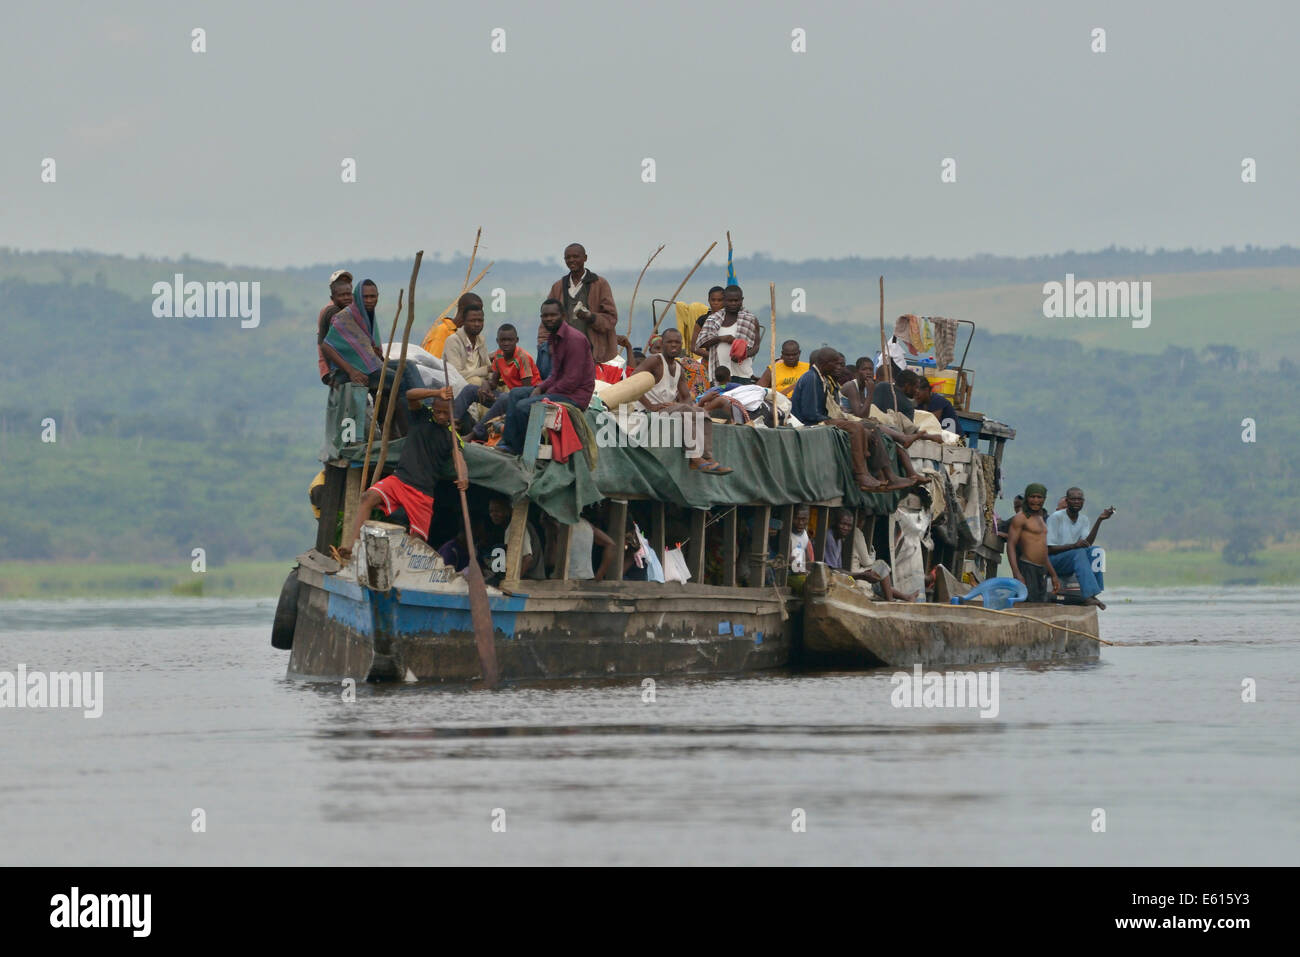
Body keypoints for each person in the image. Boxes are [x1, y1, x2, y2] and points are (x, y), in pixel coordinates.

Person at [335, 391, 467, 561]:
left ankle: (402, 567)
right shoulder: (422, 415)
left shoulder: (453, 437)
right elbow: (410, 395)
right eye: (438, 411)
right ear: (432, 408)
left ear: (451, 413)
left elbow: (459, 458)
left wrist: (463, 476)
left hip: (423, 492)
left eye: (445, 413)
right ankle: (353, 548)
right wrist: (437, 392)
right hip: (400, 479)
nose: (441, 416)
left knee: (417, 539)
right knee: (367, 497)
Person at [790, 349, 922, 491]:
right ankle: (861, 475)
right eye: (834, 363)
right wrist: (834, 420)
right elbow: (811, 414)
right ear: (824, 363)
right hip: (810, 423)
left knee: (870, 427)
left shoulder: (822, 378)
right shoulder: (812, 378)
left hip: (819, 418)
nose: (837, 367)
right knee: (856, 427)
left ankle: (887, 477)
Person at [321, 278, 425, 433]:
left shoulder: (367, 315)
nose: (369, 301)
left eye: (373, 297)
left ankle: (426, 407)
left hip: (370, 365)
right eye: (365, 297)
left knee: (407, 365)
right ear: (357, 298)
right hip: (348, 373)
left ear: (378, 296)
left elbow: (364, 346)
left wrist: (374, 352)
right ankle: (410, 429)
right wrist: (351, 371)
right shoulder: (344, 317)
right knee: (398, 381)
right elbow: (327, 346)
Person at [499, 299, 598, 455]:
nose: (549, 319)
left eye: (553, 315)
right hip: (560, 390)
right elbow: (555, 374)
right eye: (545, 316)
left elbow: (571, 381)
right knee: (515, 394)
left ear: (563, 316)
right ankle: (508, 443)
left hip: (575, 396)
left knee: (523, 406)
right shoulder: (554, 338)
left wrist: (545, 392)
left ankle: (521, 451)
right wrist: (540, 387)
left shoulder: (574, 340)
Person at [634, 328, 732, 474]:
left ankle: (707, 457)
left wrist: (688, 408)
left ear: (681, 345)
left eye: (677, 343)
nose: (674, 345)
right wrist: (651, 406)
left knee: (701, 412)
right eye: (669, 342)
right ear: (663, 344)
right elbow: (633, 381)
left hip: (667, 409)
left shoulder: (678, 367)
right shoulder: (654, 361)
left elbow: (686, 397)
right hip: (647, 410)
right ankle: (694, 457)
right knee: (685, 410)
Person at [548, 243, 628, 382]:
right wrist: (545, 344)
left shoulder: (599, 284)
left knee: (595, 390)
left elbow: (611, 318)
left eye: (575, 256)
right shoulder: (559, 287)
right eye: (568, 257)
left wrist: (591, 317)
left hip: (594, 353)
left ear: (585, 258)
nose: (571, 260)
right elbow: (548, 318)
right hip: (566, 353)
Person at [1046, 487, 1114, 609]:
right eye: (1073, 499)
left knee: (1096, 551)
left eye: (1079, 499)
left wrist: (1099, 520)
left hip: (1072, 558)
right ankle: (1087, 596)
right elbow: (1049, 548)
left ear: (1083, 501)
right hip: (1053, 561)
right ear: (1067, 501)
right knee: (1078, 552)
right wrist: (1074, 546)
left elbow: (1087, 544)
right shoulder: (1056, 517)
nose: (1077, 502)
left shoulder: (1084, 519)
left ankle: (1094, 593)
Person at [441, 294, 495, 431]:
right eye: (473, 320)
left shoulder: (480, 340)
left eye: (480, 320)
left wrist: (491, 379)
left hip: (481, 384)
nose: (477, 324)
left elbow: (489, 367)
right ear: (464, 321)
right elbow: (456, 374)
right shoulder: (453, 341)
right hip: (460, 387)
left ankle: (494, 425)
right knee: (477, 382)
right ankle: (483, 427)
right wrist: (484, 372)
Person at [695, 284, 762, 383]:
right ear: (724, 300)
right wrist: (721, 338)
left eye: (736, 300)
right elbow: (701, 343)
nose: (733, 303)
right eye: (730, 301)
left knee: (740, 398)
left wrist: (743, 355)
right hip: (719, 375)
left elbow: (756, 346)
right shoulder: (713, 319)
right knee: (721, 398)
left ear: (742, 300)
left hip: (742, 374)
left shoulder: (750, 319)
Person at [1007, 483, 1061, 603]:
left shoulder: (1041, 518)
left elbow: (1043, 551)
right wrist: (1016, 573)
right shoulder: (1021, 518)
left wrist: (1053, 575)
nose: (1035, 500)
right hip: (1027, 568)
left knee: (1040, 602)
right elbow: (1011, 545)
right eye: (1032, 497)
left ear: (1044, 499)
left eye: (1039, 497)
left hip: (1041, 570)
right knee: (1027, 602)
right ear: (1027, 498)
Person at [849, 510, 915, 600]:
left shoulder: (853, 532)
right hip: (855, 573)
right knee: (881, 566)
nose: (862, 522)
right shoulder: (857, 532)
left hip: (855, 570)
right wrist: (873, 554)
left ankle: (906, 597)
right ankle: (890, 600)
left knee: (881, 578)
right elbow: (866, 562)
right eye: (862, 519)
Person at [544, 511, 617, 581]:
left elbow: (551, 560)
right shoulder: (586, 524)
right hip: (587, 578)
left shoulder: (554, 526)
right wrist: (600, 573)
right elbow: (611, 544)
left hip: (563, 579)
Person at [316, 270, 353, 384]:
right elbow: (324, 345)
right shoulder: (331, 311)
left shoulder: (347, 308)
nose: (344, 284)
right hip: (333, 368)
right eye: (340, 282)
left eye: (347, 282)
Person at [487, 323, 538, 393]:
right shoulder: (498, 355)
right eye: (503, 340)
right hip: (513, 394)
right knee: (471, 390)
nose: (506, 343)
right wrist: (485, 384)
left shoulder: (523, 357)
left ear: (516, 340)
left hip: (530, 394)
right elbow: (494, 383)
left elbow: (526, 390)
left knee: (503, 399)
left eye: (510, 340)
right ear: (497, 341)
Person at [788, 506, 814, 575]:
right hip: (789, 574)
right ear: (792, 518)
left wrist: (811, 572)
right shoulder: (788, 536)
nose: (801, 523)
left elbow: (807, 559)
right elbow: (790, 560)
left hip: (800, 572)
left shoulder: (804, 534)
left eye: (804, 519)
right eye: (797, 519)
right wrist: (804, 571)